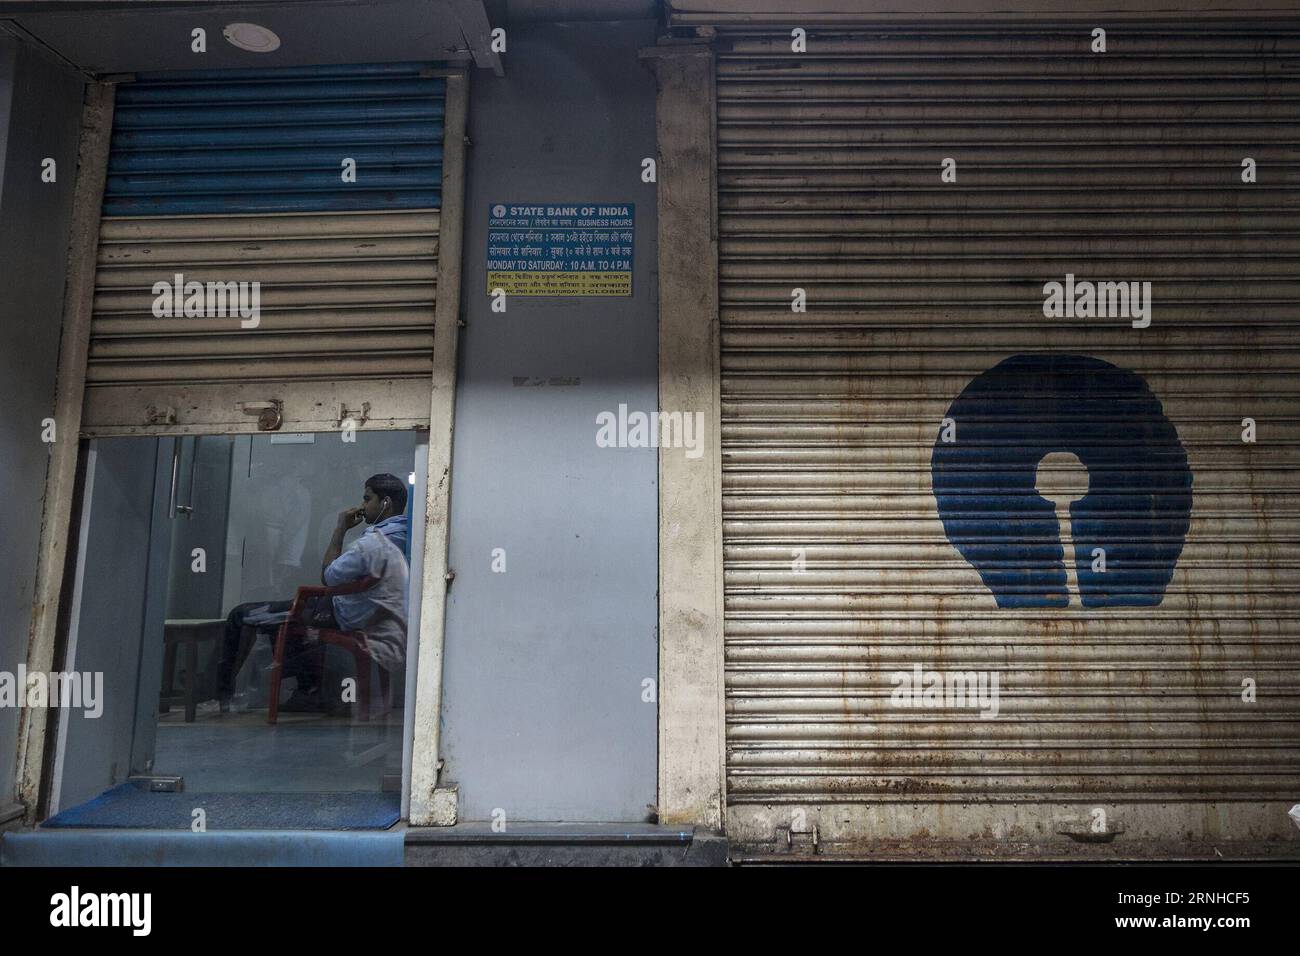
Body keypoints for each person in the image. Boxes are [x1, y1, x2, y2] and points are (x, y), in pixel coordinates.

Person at [216, 473, 410, 714]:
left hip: (343, 612)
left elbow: (329, 575)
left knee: (240, 614)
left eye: (366, 499)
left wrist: (340, 529)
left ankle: (223, 694)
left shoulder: (372, 543)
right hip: (377, 614)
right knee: (292, 619)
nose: (362, 506)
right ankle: (307, 691)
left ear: (385, 503)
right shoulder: (408, 536)